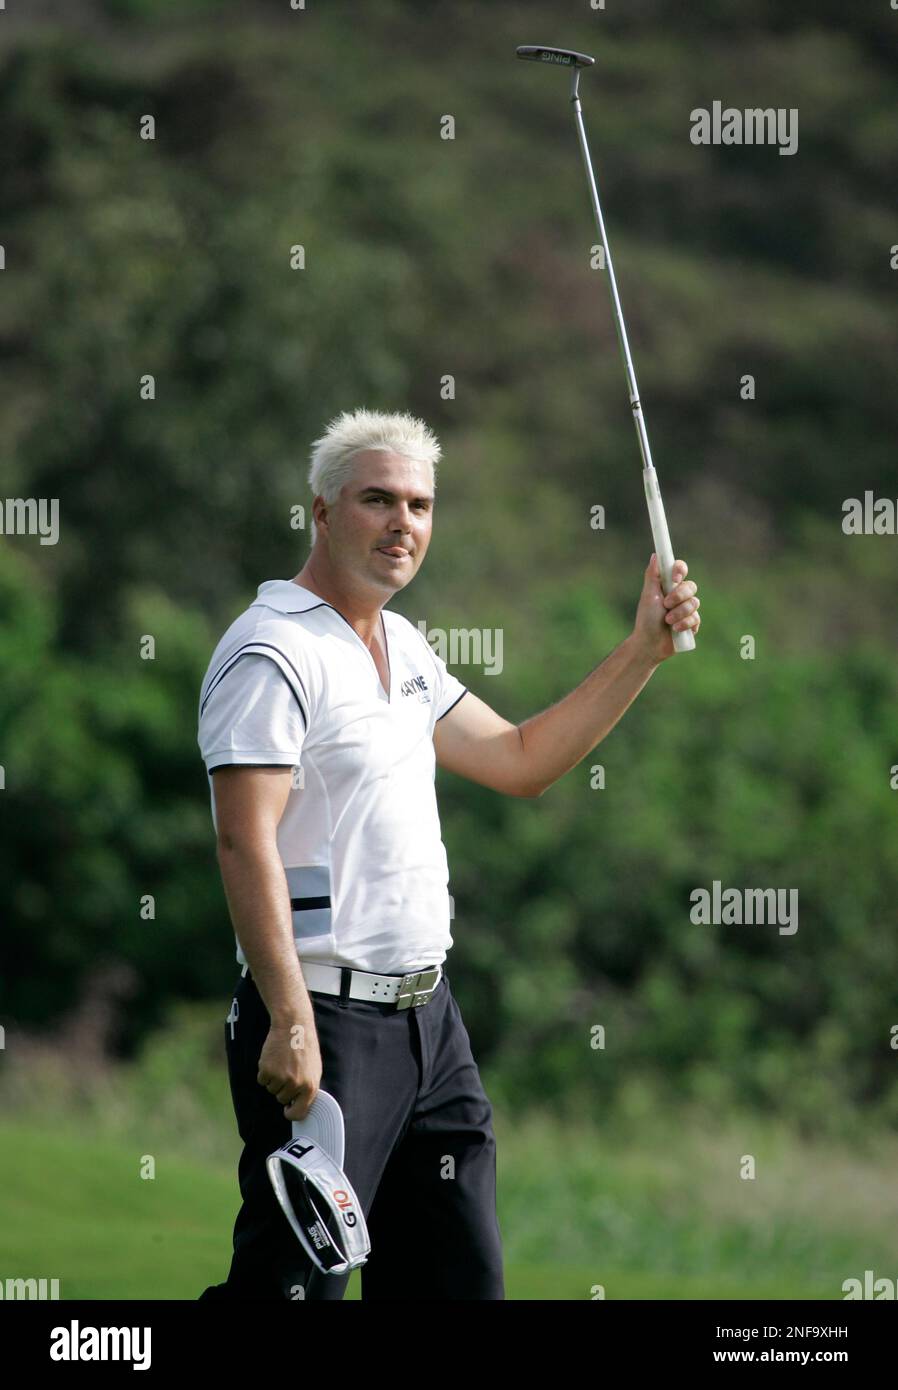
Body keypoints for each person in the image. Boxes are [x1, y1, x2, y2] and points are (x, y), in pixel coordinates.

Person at [196, 407, 701, 1301]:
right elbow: (244, 839)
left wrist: (641, 653)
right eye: (378, 500)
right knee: (285, 1294)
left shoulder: (406, 646)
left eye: (421, 506)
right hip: (323, 1022)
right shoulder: (271, 649)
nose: (403, 523)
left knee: (459, 1286)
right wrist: (288, 1018)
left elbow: (520, 760)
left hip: (432, 1026)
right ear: (320, 511)